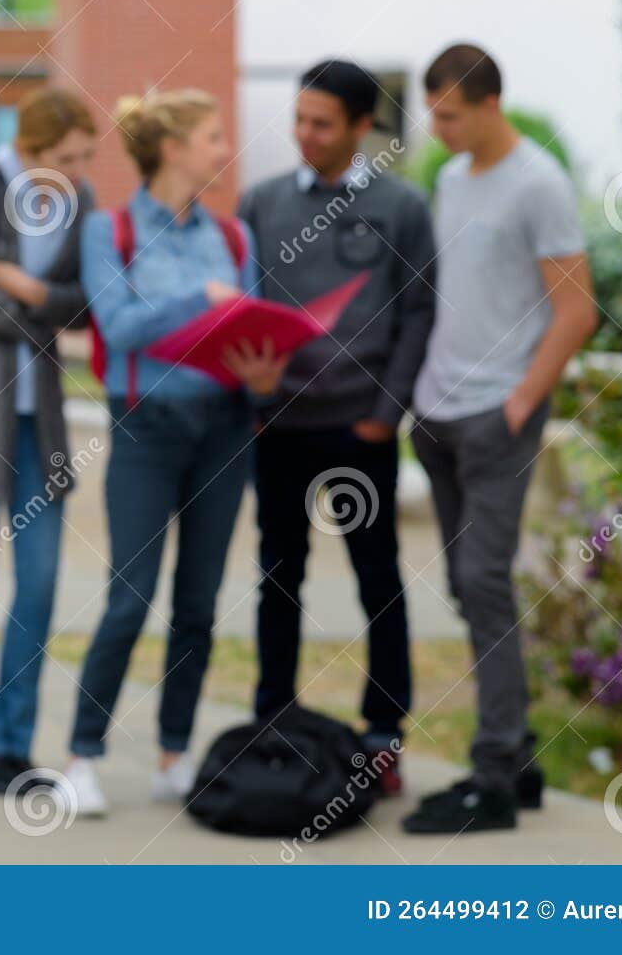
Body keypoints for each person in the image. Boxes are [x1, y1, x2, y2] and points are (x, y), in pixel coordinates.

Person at [59, 89, 286, 816]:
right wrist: (202, 300)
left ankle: (174, 755)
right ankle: (80, 759)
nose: (224, 150)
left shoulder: (234, 237)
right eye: (213, 136)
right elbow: (120, 326)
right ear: (173, 148)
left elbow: (249, 324)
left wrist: (264, 368)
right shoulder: (110, 231)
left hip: (224, 426)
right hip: (145, 429)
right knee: (130, 598)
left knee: (199, 603)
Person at [404, 43, 597, 834]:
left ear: (489, 104)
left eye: (448, 113)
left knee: (483, 583)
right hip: (437, 413)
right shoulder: (450, 179)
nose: (436, 126)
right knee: (466, 584)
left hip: (496, 419)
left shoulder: (540, 184)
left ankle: (491, 775)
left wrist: (521, 403)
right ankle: (515, 764)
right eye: (432, 111)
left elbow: (577, 308)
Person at [236, 59, 436, 796]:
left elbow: (419, 314)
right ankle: (271, 720)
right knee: (276, 580)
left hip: (361, 433)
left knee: (377, 580)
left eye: (322, 124)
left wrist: (385, 421)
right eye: (299, 119)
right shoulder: (258, 205)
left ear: (361, 127)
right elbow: (239, 310)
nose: (305, 135)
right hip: (279, 430)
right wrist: (254, 403)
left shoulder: (402, 208)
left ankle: (385, 736)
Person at [0, 87, 95, 795]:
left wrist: (26, 291)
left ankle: (17, 742)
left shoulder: (78, 202)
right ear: (32, 146)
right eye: (69, 156)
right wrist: (41, 305)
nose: (79, 170)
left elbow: (84, 300)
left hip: (46, 420)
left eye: (86, 157)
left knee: (39, 581)